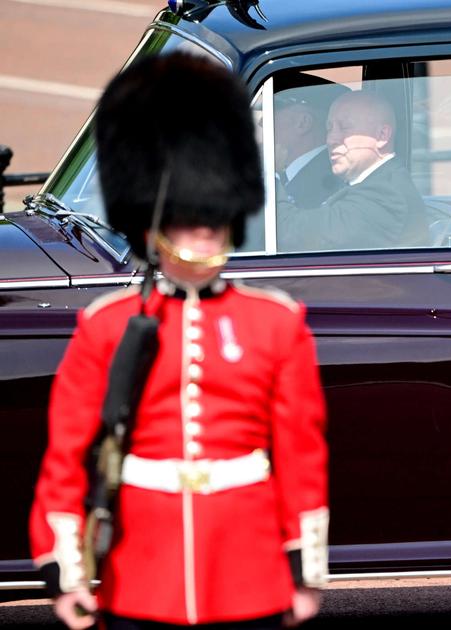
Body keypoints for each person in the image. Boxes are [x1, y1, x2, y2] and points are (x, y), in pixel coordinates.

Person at [29, 53, 329, 629]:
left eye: (210, 220)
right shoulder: (108, 325)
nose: (201, 233)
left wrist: (302, 570)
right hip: (141, 574)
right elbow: (69, 454)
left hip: (250, 574)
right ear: (152, 224)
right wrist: (67, 571)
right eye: (187, 220)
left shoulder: (276, 323)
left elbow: (299, 456)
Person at [278, 90, 428, 251]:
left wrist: (268, 174)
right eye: (329, 128)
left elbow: (295, 236)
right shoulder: (378, 184)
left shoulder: (386, 195)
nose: (330, 139)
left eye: (344, 128)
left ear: (382, 136)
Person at [273, 73, 348, 208]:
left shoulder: (323, 182)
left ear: (303, 123)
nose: (262, 121)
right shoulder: (296, 175)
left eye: (275, 111)